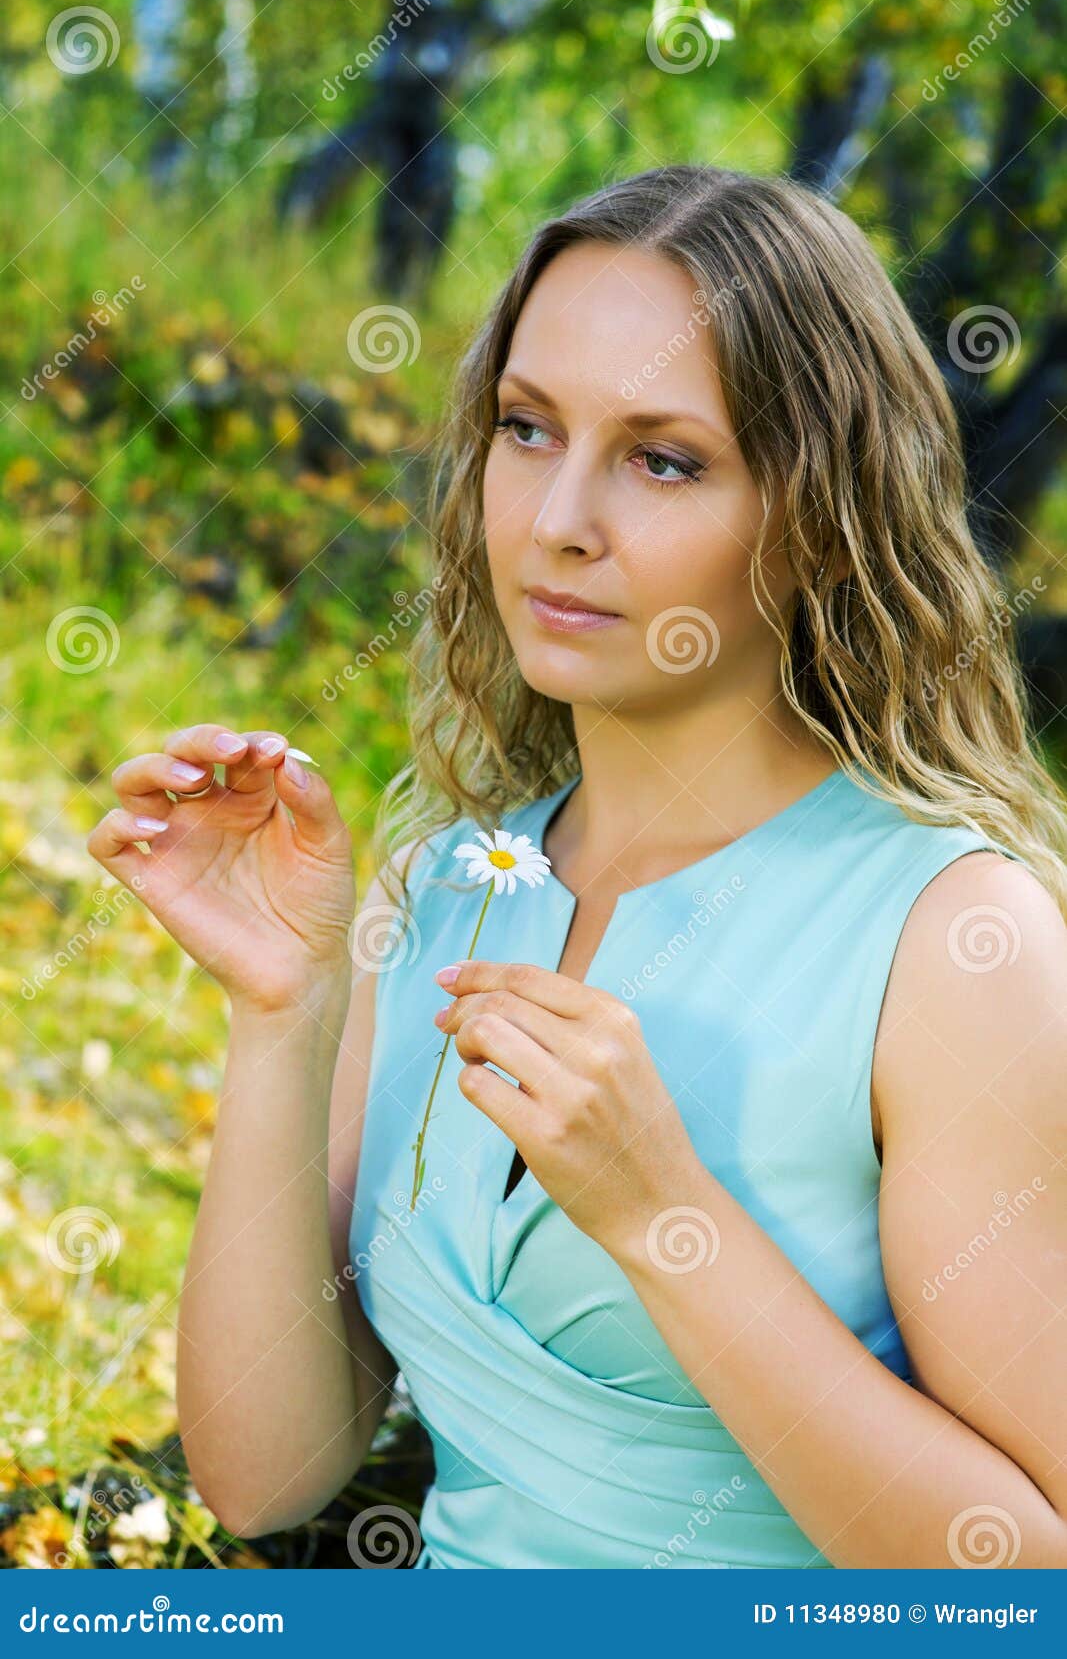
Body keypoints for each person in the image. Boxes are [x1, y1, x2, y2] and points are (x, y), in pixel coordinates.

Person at [88, 164, 1067, 1569]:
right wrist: (281, 1012)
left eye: (662, 458)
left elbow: (1032, 1574)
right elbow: (267, 1475)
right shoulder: (444, 886)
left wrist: (663, 1214)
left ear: (817, 515)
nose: (559, 518)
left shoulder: (957, 938)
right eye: (529, 429)